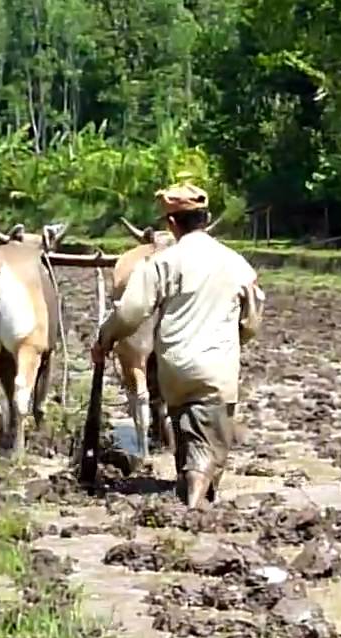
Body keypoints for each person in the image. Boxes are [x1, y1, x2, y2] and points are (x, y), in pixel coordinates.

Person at [92, 182, 265, 508]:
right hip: (217, 367)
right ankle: (194, 505)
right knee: (211, 443)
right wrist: (235, 340)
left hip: (175, 366)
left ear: (171, 224)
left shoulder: (162, 263)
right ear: (207, 218)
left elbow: (129, 312)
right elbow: (252, 321)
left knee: (187, 433)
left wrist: (105, 339)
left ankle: (191, 492)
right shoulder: (236, 263)